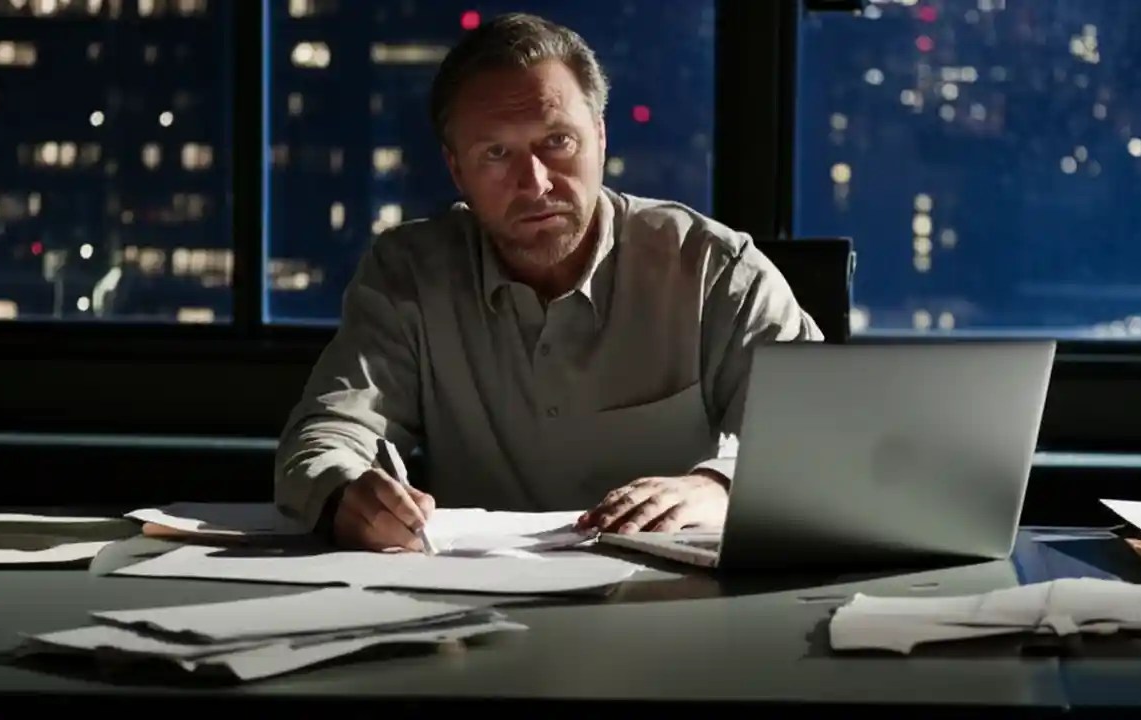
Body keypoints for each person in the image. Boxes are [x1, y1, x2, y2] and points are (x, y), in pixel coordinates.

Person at [273, 12, 823, 552]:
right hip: (473, 611)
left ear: (601, 139)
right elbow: (327, 435)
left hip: (674, 610)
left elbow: (815, 437)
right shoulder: (409, 273)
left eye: (558, 141)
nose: (534, 182)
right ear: (456, 169)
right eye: (495, 153)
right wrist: (346, 494)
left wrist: (719, 486)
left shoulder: (715, 269)